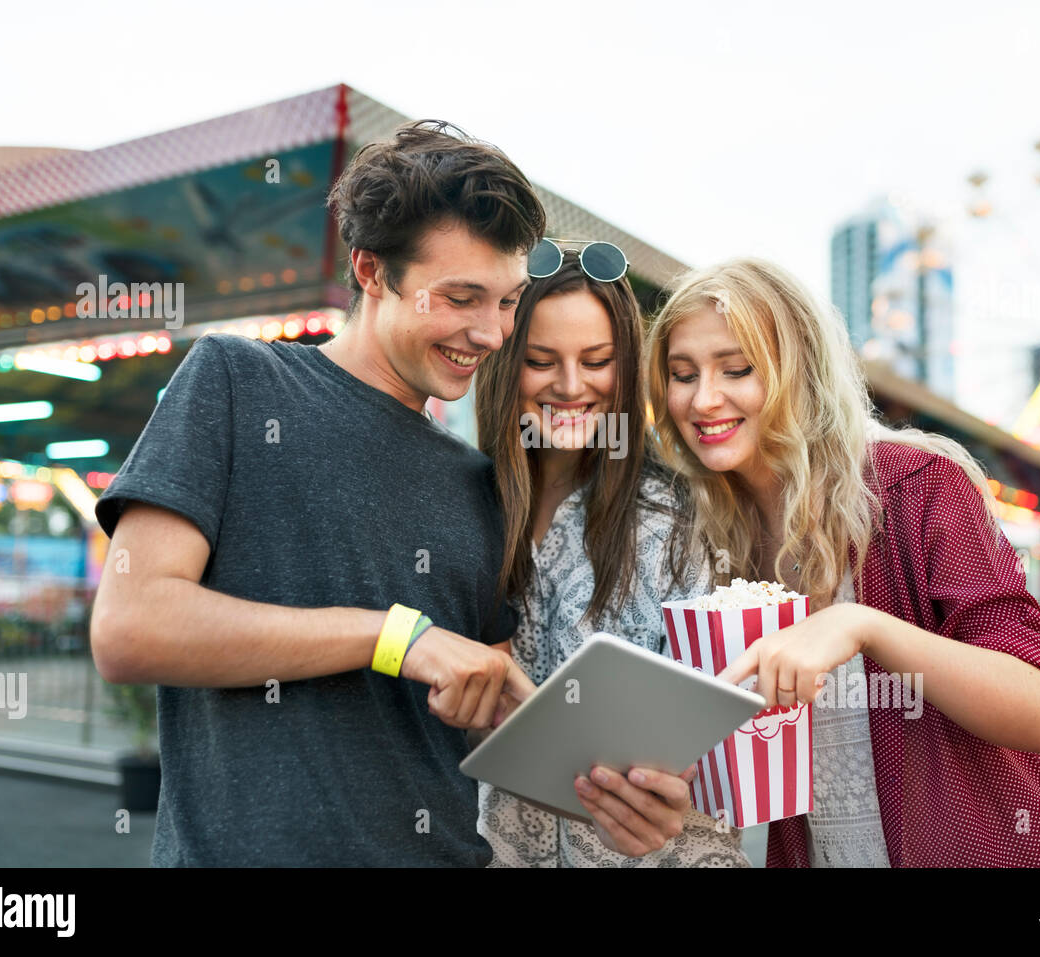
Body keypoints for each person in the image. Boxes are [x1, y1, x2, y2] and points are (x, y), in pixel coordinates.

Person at [90, 121, 676, 866]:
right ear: (371, 269)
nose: (493, 332)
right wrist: (396, 639)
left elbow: (485, 715)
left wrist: (626, 794)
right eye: (462, 297)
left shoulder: (480, 485)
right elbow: (130, 626)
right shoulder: (234, 383)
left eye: (505, 301)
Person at [644, 257, 1040, 867]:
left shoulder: (917, 485)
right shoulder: (710, 530)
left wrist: (862, 626)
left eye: (736, 369)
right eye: (681, 374)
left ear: (800, 371)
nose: (702, 399)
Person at [472, 244, 747, 866]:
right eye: (541, 361)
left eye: (597, 361)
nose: (571, 387)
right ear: (504, 363)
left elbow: (722, 721)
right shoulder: (468, 508)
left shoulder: (684, 516)